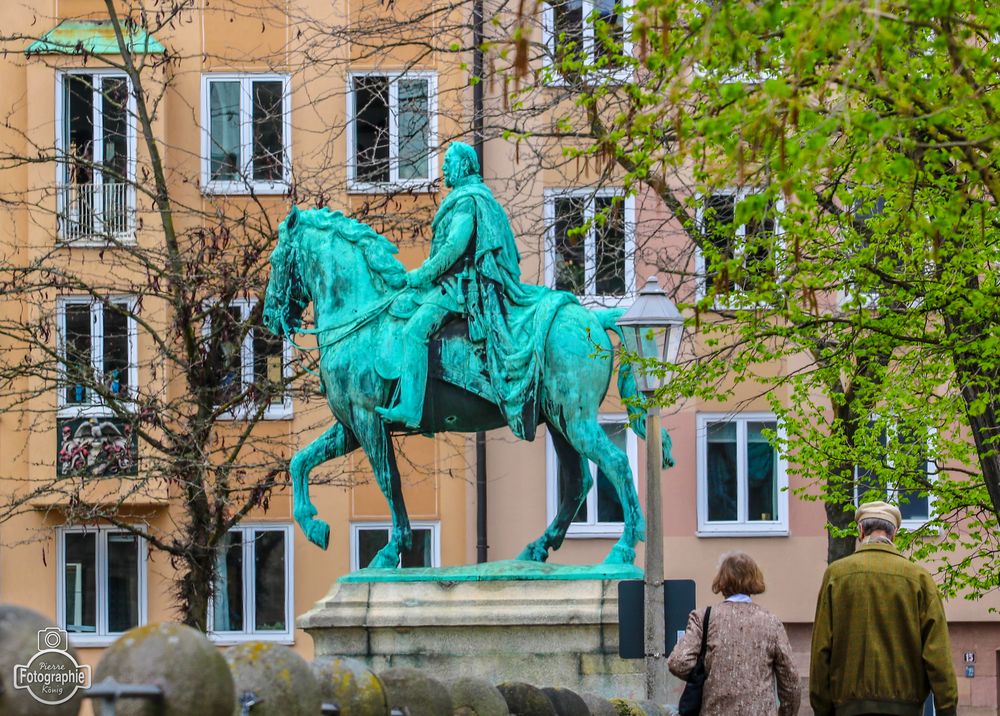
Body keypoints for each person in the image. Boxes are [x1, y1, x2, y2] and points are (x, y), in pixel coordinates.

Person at [376, 141, 547, 439]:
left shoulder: (468, 199)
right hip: (449, 284)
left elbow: (455, 245)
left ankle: (410, 409)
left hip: (458, 290)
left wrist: (423, 273)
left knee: (413, 333)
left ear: (465, 166)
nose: (443, 168)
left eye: (448, 163)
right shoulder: (466, 198)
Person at [810, 501, 958, 716]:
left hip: (848, 708)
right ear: (894, 533)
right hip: (906, 708)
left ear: (860, 531)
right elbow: (938, 656)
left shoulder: (836, 576)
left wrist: (822, 708)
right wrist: (947, 709)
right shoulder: (919, 579)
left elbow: (821, 649)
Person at [667, 551, 800, 716]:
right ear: (755, 579)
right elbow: (791, 681)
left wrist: (707, 675)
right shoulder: (771, 622)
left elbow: (678, 662)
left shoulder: (704, 618)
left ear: (721, 580)